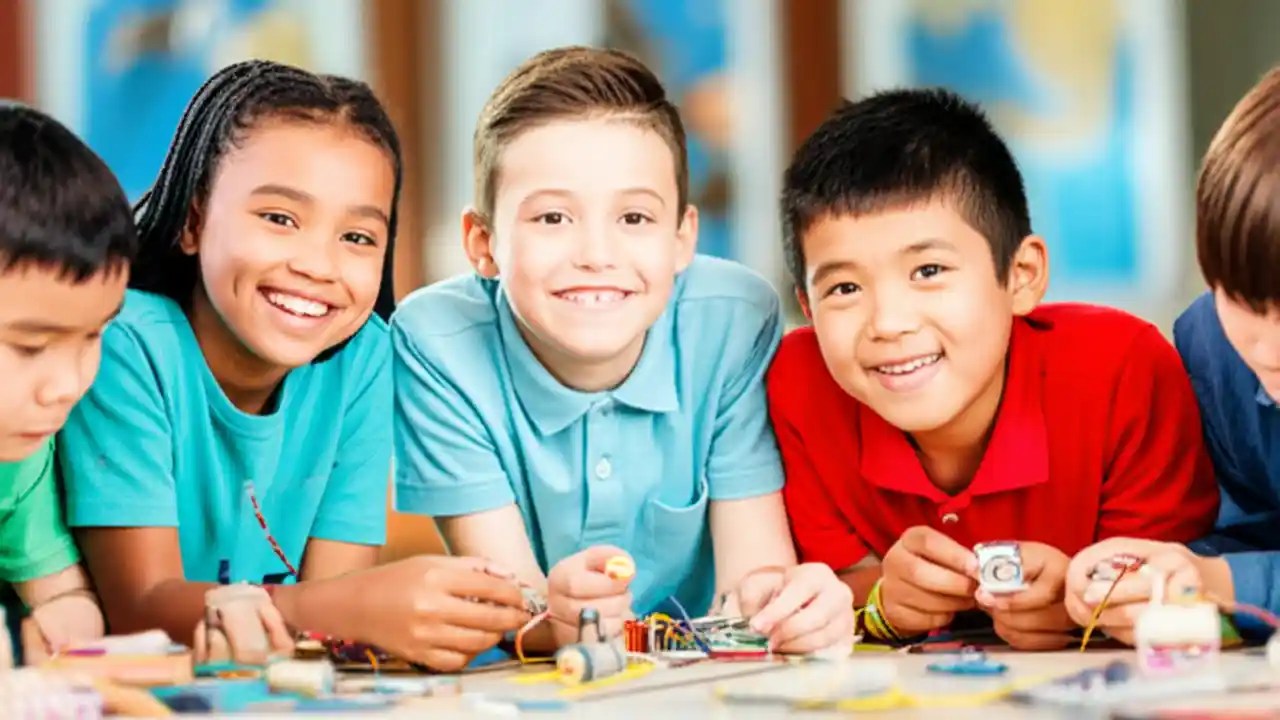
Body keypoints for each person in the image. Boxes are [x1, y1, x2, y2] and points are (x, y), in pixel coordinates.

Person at [58, 60, 529, 671]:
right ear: (195, 220)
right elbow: (141, 608)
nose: (317, 264)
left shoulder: (365, 358)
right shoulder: (125, 343)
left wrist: (384, 614)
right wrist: (347, 611)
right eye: (280, 219)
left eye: (357, 238)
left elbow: (329, 617)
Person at [392, 46, 853, 654]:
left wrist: (796, 609)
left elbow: (753, 586)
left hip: (703, 676)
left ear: (682, 237)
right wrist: (553, 615)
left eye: (634, 217)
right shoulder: (436, 344)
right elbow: (514, 613)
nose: (597, 254)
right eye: (553, 218)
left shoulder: (733, 320)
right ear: (482, 242)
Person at [768, 87, 1218, 650]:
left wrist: (1088, 604)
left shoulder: (1122, 371)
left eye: (928, 269)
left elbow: (1181, 591)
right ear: (808, 310)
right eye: (845, 288)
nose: (888, 322)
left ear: (1023, 274)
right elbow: (839, 585)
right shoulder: (798, 386)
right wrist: (884, 596)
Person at [1066, 67, 1280, 644]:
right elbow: (1249, 531)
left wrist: (1227, 581)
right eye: (1242, 297)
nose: (1267, 346)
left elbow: (1238, 574)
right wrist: (1170, 572)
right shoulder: (1214, 349)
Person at [0, 104, 136, 661]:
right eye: (30, 346)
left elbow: (60, 589)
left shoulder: (19, 459)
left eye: (91, 337)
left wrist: (65, 624)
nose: (68, 385)